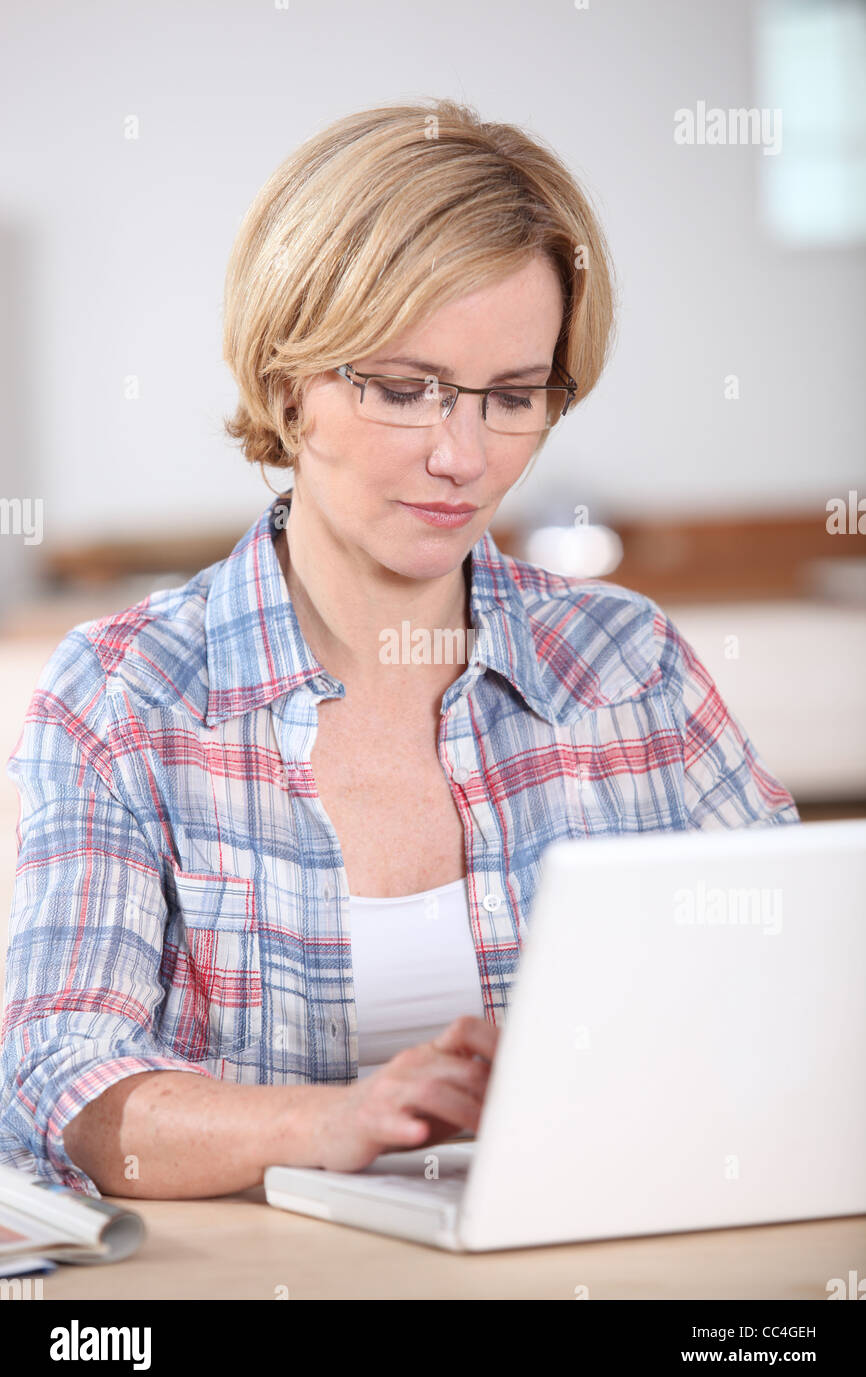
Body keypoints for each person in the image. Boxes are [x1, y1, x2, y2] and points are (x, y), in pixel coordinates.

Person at [0, 99, 798, 1201]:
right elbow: (67, 1087)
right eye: (399, 387)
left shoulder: (629, 668)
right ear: (289, 382)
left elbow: (806, 991)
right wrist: (341, 1120)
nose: (459, 455)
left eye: (511, 397)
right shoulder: (128, 694)